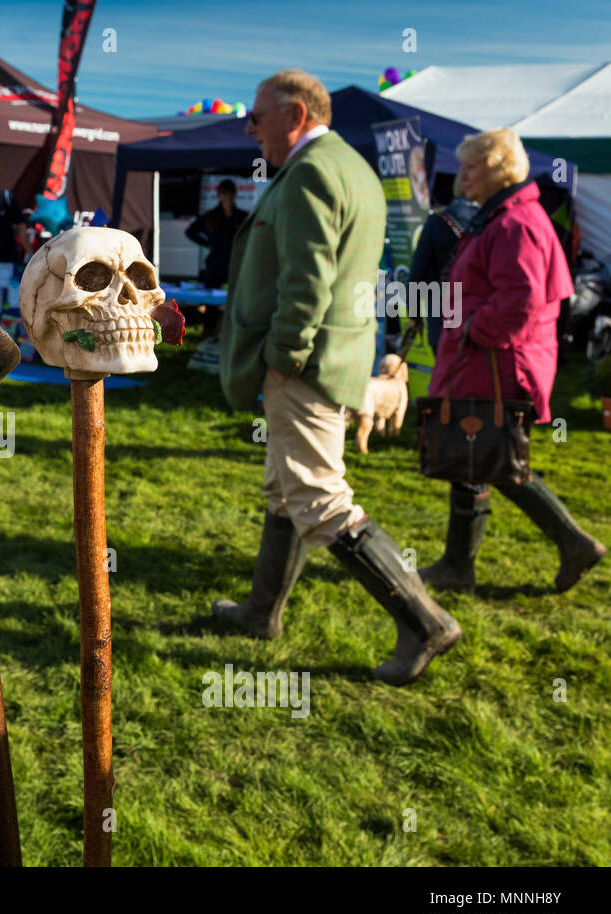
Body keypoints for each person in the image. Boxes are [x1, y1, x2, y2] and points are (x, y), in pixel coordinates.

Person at [213, 69, 461, 687]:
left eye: (258, 117)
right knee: (285, 488)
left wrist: (284, 357)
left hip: (306, 365)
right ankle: (260, 614)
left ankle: (425, 622)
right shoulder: (350, 168)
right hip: (331, 358)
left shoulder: (314, 171)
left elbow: (307, 281)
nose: (250, 129)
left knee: (318, 498)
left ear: (296, 115)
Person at [419, 128, 604, 594]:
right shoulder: (504, 216)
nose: (462, 177)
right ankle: (457, 565)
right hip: (487, 360)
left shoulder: (515, 223)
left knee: (493, 459)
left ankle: (574, 542)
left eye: (471, 166)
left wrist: (468, 331)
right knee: (474, 459)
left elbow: (519, 302)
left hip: (497, 364)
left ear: (499, 168)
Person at [408, 184, 478, 352]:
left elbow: (417, 274)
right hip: (477, 321)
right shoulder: (492, 221)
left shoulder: (436, 222)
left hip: (441, 320)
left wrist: (415, 315)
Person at [185, 179, 247, 289]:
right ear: (219, 195)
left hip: (236, 265)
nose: (227, 196)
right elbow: (190, 232)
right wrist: (207, 244)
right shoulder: (211, 216)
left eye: (230, 193)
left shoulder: (242, 217)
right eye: (224, 193)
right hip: (215, 266)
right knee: (211, 302)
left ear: (234, 194)